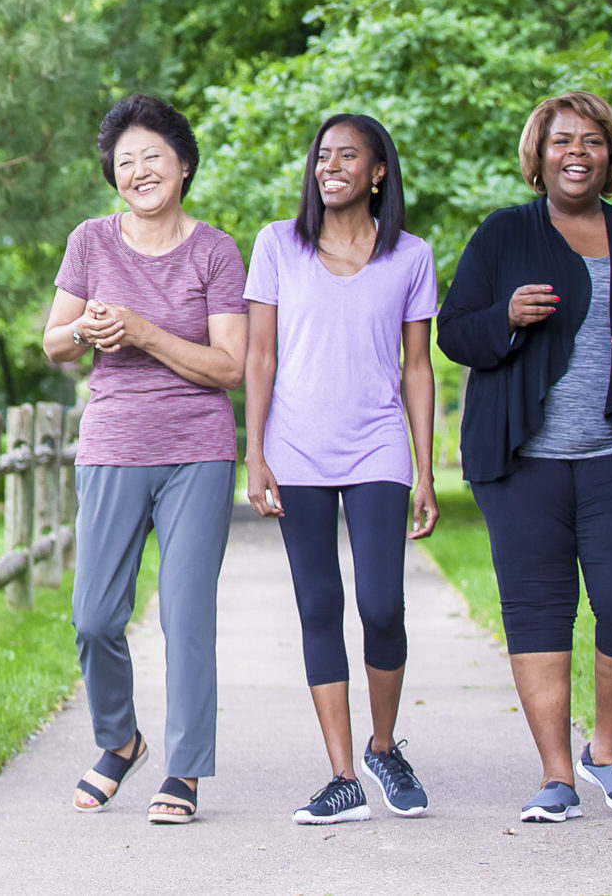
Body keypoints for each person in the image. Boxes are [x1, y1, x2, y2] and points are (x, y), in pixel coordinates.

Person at [438, 92, 612, 824]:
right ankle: (557, 775)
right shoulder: (502, 236)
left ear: (611, 156)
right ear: (539, 154)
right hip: (522, 460)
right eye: (561, 141)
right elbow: (455, 333)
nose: (576, 152)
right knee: (539, 611)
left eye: (592, 140)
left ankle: (606, 752)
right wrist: (507, 318)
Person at [44, 94, 248, 825]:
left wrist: (143, 330)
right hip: (112, 446)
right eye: (125, 162)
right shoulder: (91, 242)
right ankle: (120, 740)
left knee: (186, 616)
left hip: (196, 450)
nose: (139, 171)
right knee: (95, 616)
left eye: (152, 157)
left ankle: (185, 771)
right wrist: (90, 333)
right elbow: (53, 342)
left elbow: (230, 367)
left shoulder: (215, 251)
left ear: (184, 165)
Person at [243, 113, 440, 826]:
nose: (331, 166)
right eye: (323, 155)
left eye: (348, 156)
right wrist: (255, 451)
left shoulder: (411, 256)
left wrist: (425, 470)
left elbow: (418, 368)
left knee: (382, 605)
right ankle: (343, 774)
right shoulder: (277, 245)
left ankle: (386, 746)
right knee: (319, 606)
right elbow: (258, 356)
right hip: (295, 446)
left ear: (378, 171)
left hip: (377, 445)